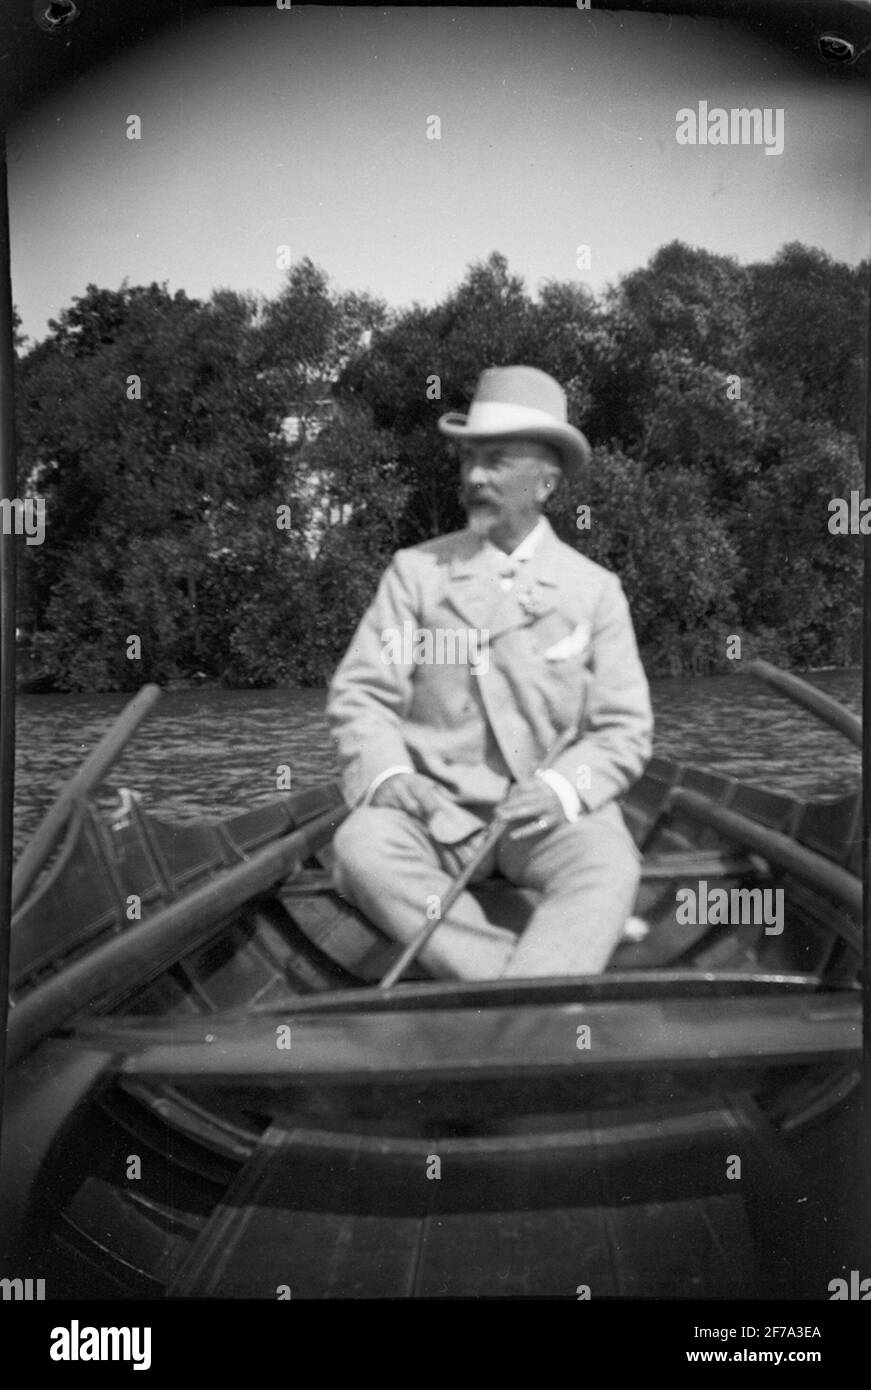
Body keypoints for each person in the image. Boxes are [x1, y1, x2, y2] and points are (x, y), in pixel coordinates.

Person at [327, 365, 653, 980]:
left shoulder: (594, 591)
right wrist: (391, 775)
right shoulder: (415, 574)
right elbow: (363, 696)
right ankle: (527, 985)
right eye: (468, 460)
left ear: (547, 483)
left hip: (547, 819)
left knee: (610, 864)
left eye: (497, 461)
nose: (475, 477)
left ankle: (530, 979)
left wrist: (563, 789)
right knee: (361, 847)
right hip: (435, 814)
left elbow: (623, 729)